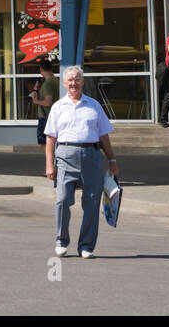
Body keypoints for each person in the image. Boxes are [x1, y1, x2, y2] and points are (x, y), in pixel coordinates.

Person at [45, 65, 117, 259]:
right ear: (64, 83)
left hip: (92, 156)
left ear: (83, 81)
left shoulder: (94, 105)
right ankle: (61, 241)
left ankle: (86, 246)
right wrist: (49, 165)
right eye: (70, 80)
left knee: (92, 203)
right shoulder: (58, 107)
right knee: (62, 200)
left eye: (77, 79)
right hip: (65, 156)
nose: (73, 83)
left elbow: (104, 135)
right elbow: (50, 139)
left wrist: (112, 159)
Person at [30, 57, 59, 146]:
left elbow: (48, 102)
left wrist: (36, 101)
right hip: (54, 116)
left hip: (46, 117)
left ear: (41, 69)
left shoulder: (47, 84)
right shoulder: (56, 81)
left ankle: (49, 160)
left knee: (44, 144)